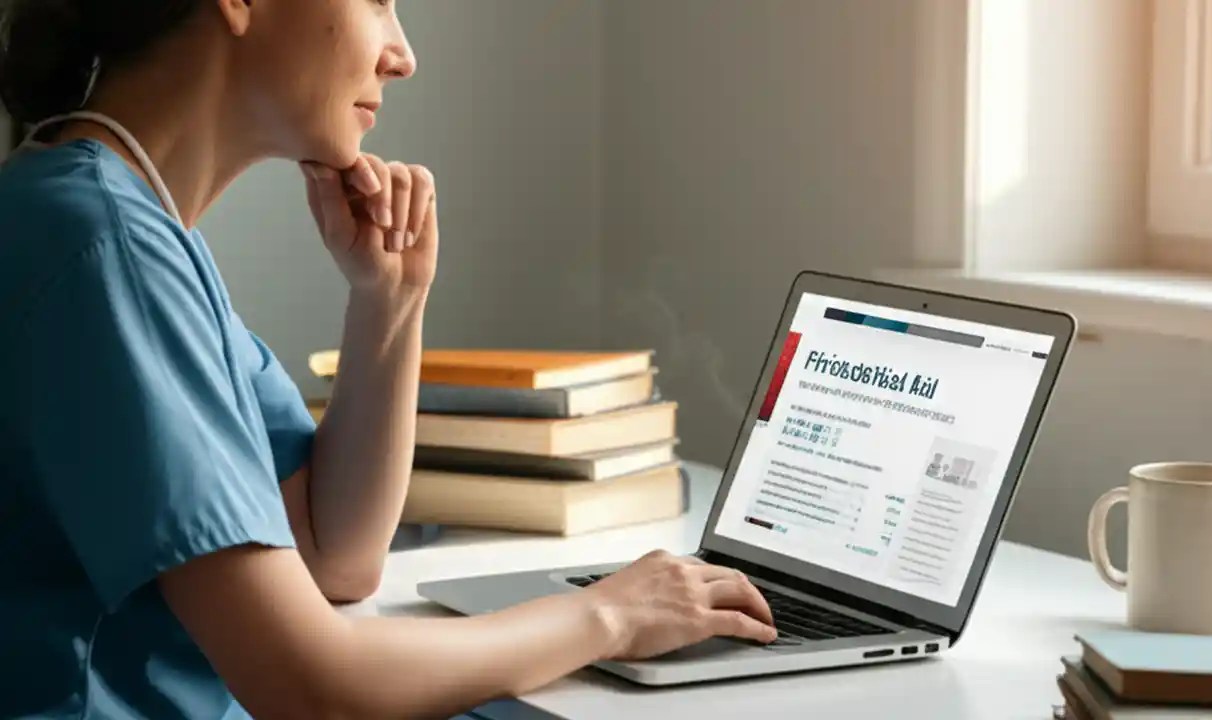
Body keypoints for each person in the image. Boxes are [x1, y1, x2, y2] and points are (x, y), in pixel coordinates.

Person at [0, 1, 777, 718]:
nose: (402, 54)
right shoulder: (103, 246)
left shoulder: (116, 223)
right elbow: (310, 685)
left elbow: (337, 556)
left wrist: (390, 301)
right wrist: (609, 613)